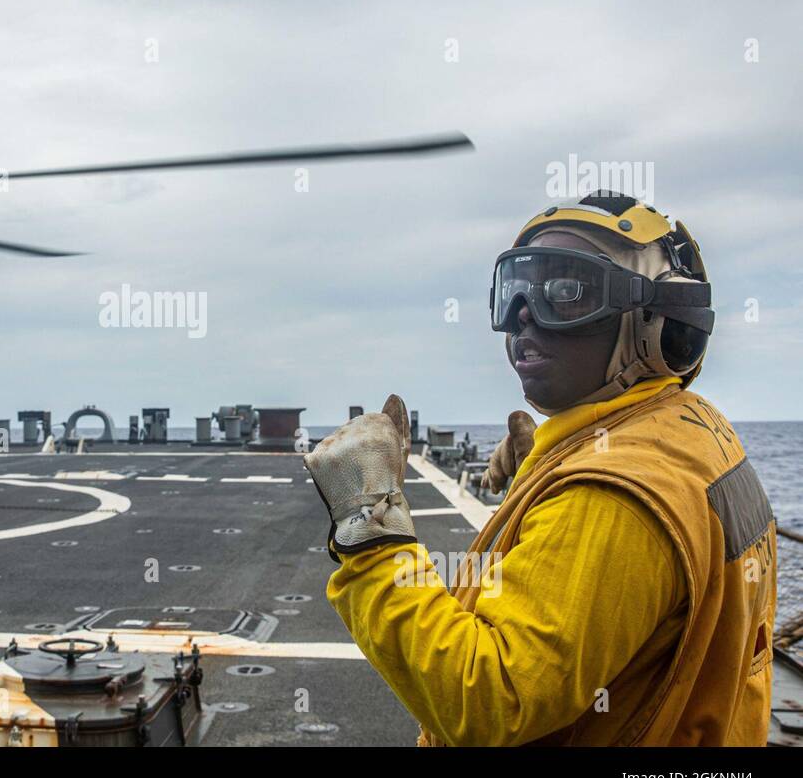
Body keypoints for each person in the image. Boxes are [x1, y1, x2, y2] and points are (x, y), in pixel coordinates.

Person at [305, 192, 777, 746]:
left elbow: (490, 700)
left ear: (658, 325)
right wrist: (553, 461)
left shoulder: (612, 497)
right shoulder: (694, 430)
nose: (524, 315)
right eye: (516, 292)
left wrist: (370, 528)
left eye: (566, 293)